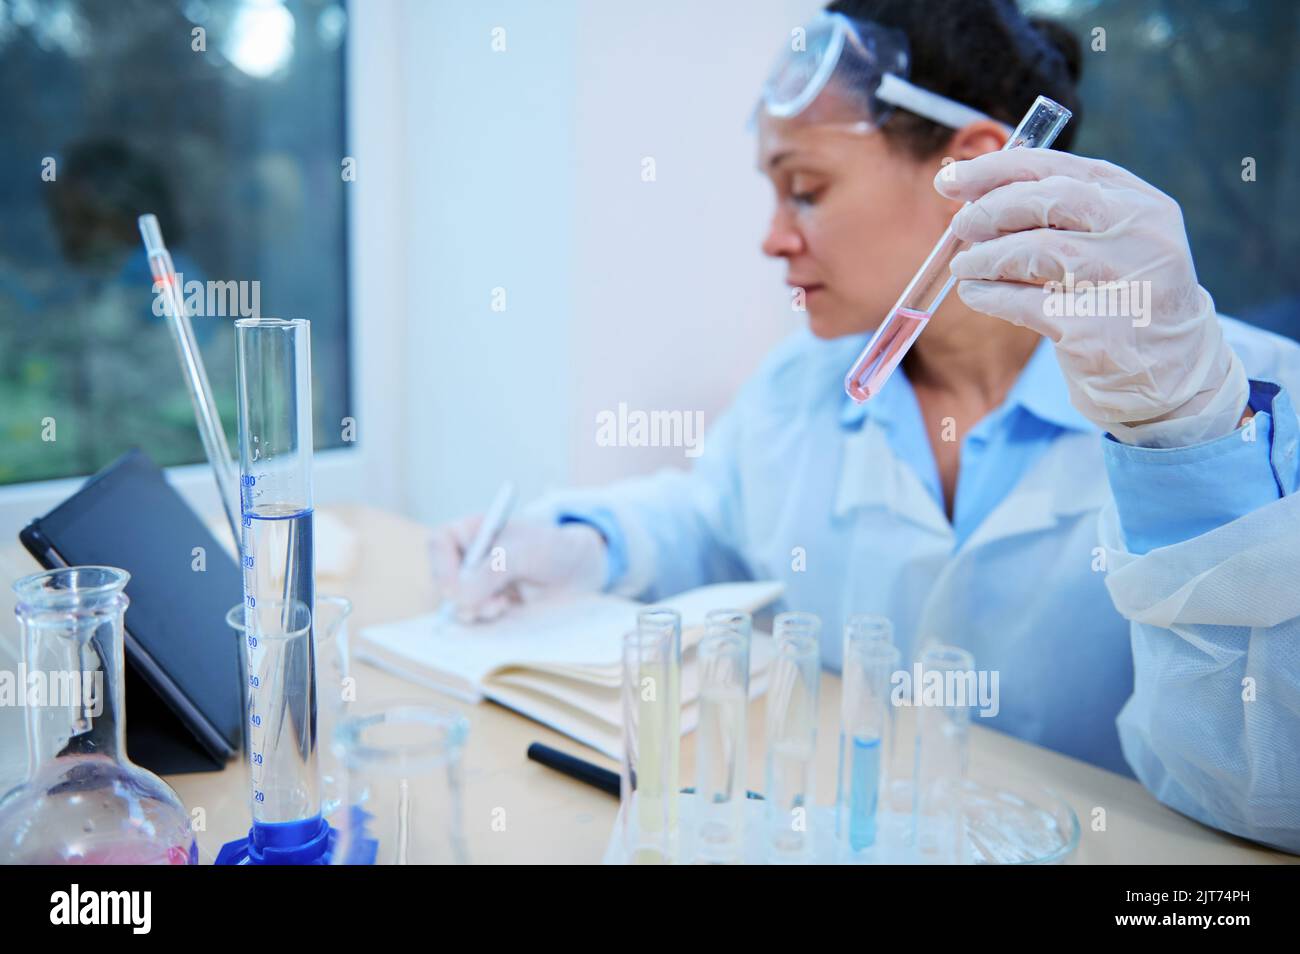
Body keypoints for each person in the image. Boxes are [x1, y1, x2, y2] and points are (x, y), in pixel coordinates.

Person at [430, 0, 1300, 852]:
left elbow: (1270, 796)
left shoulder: (1234, 398)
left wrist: (1184, 439)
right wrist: (580, 543)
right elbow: (717, 521)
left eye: (805, 191)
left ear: (977, 170)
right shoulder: (800, 387)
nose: (773, 240)